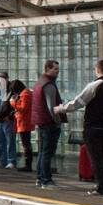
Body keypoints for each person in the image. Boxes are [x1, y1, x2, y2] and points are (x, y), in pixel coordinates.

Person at [57, 60, 103, 196]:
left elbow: (78, 103)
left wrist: (61, 108)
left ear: (97, 70)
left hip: (93, 127)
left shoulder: (94, 85)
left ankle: (100, 187)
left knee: (96, 158)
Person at [32, 60, 64, 188]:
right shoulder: (49, 84)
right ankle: (46, 180)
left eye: (58, 68)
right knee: (47, 152)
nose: (58, 71)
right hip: (49, 122)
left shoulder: (39, 82)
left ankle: (40, 178)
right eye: (55, 69)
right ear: (48, 69)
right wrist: (57, 121)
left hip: (41, 121)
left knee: (42, 151)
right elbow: (52, 107)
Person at [0, 71, 15, 169]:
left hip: (7, 120)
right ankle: (2, 160)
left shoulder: (11, 90)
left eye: (3, 78)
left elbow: (14, 105)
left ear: (7, 79)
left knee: (10, 141)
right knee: (0, 141)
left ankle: (11, 161)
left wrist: (10, 116)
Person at [9, 79, 34, 172]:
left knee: (26, 144)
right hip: (24, 121)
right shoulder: (26, 93)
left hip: (24, 122)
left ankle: (28, 165)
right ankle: (27, 164)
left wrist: (13, 103)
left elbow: (23, 108)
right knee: (26, 144)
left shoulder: (25, 94)